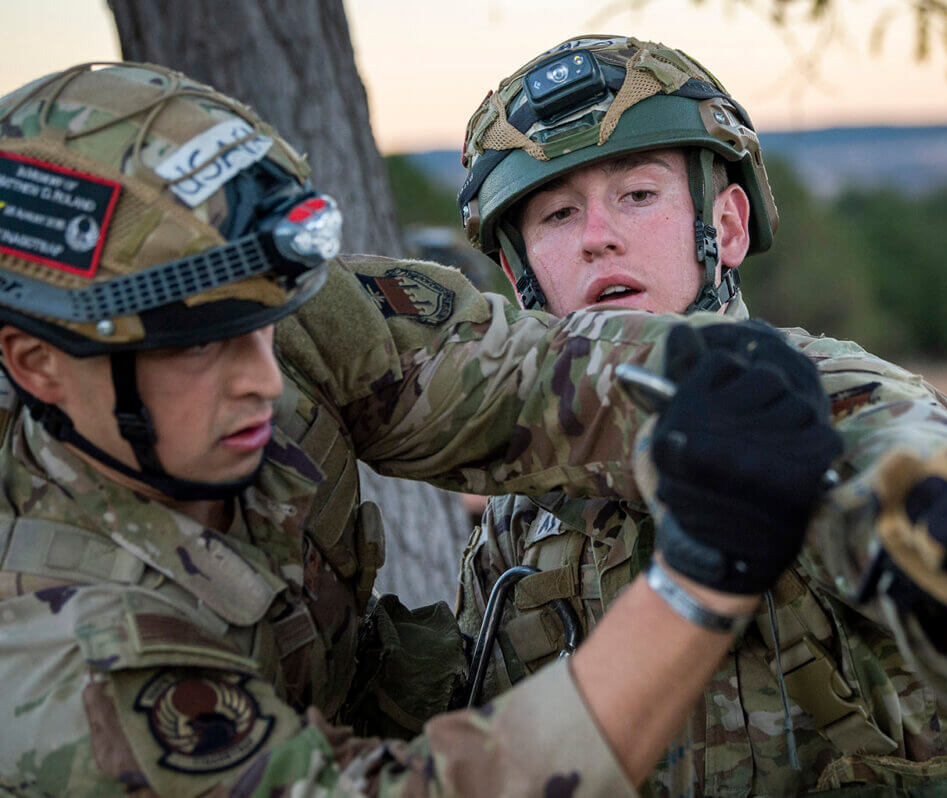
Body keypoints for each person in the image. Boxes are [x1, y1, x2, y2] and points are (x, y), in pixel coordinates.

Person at [0, 62, 848, 796]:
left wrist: (754, 395)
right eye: (200, 351)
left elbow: (518, 375)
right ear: (38, 365)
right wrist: (696, 587)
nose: (266, 378)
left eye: (265, 327)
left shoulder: (239, 317)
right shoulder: (67, 668)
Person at [456, 36, 947, 798]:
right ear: (521, 278)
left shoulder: (822, 393)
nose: (597, 235)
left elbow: (899, 434)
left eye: (637, 194)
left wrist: (945, 495)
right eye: (558, 213)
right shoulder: (527, 503)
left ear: (724, 227)